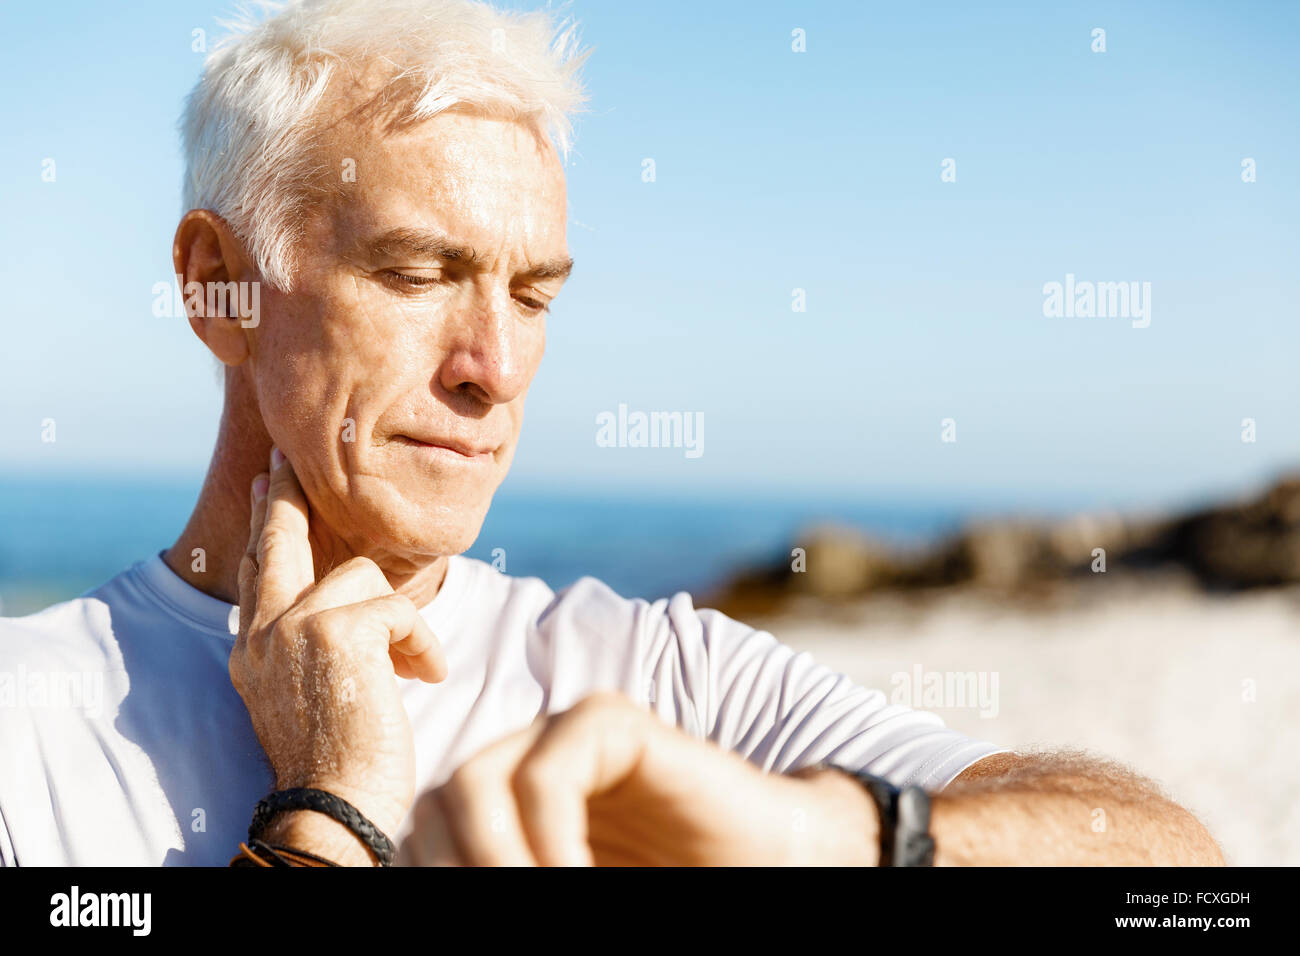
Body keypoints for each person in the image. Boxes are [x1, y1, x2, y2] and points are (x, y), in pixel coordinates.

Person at [0, 0, 1222, 867]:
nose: (497, 366)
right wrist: (327, 808)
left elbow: (1167, 869)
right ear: (218, 283)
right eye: (419, 272)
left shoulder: (659, 680)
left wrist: (809, 833)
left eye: (533, 294)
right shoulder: (26, 722)